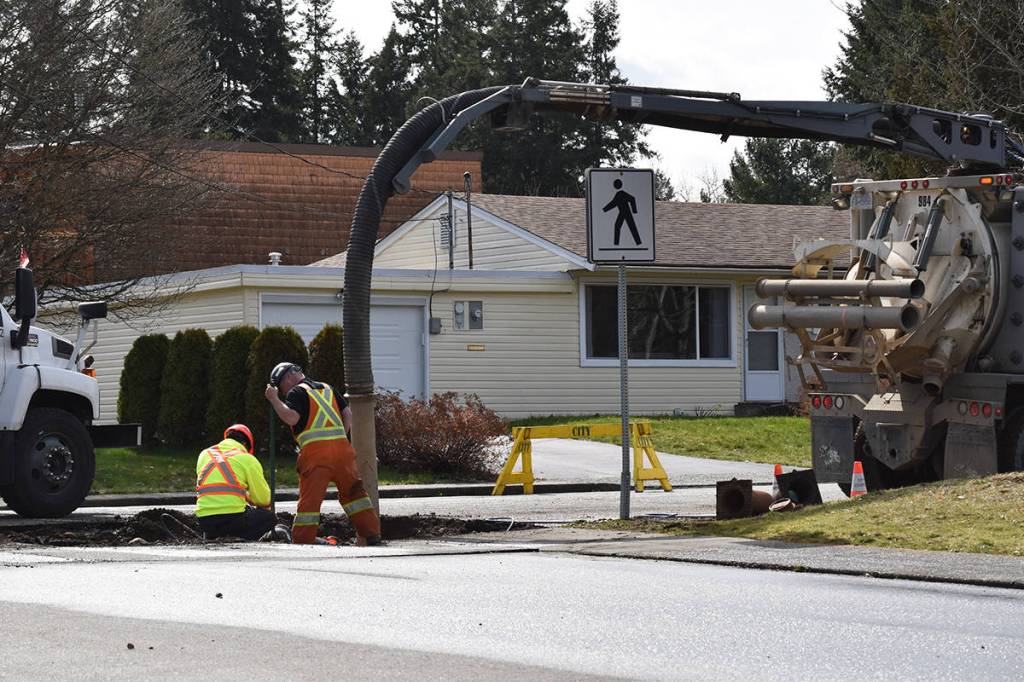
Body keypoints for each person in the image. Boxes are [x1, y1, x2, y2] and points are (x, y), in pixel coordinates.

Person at [264, 362, 382, 545]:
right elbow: (347, 413)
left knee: (310, 501)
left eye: (281, 388)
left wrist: (274, 399)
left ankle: (303, 539)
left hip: (316, 455)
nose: (283, 392)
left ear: (287, 378)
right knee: (355, 494)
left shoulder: (297, 392)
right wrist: (340, 436)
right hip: (343, 452)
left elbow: (291, 417)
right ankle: (371, 533)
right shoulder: (327, 388)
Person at [195, 424, 281, 540]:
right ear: (245, 444)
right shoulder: (247, 458)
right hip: (233, 519)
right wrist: (248, 497)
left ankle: (215, 536)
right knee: (269, 517)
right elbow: (264, 500)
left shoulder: (204, 454)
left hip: (204, 520)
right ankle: (237, 538)